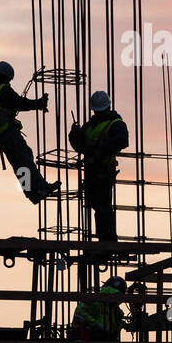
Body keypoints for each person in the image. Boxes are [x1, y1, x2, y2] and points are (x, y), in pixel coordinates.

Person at [0, 61, 60, 204]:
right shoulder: (1, 90)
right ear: (6, 77)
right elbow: (19, 103)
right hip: (7, 133)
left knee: (19, 164)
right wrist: (38, 104)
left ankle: (32, 193)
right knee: (24, 160)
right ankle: (40, 188)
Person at [68, 91, 129, 244]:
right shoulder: (90, 125)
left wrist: (101, 147)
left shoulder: (116, 123)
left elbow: (122, 141)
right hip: (91, 171)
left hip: (103, 171)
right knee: (95, 205)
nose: (98, 113)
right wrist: (74, 135)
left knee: (103, 207)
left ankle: (108, 240)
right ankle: (104, 240)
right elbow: (80, 146)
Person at [71, 275, 129, 343]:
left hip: (100, 338)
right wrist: (96, 325)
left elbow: (80, 311)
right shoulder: (100, 302)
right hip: (93, 337)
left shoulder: (110, 307)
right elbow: (80, 313)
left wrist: (118, 320)